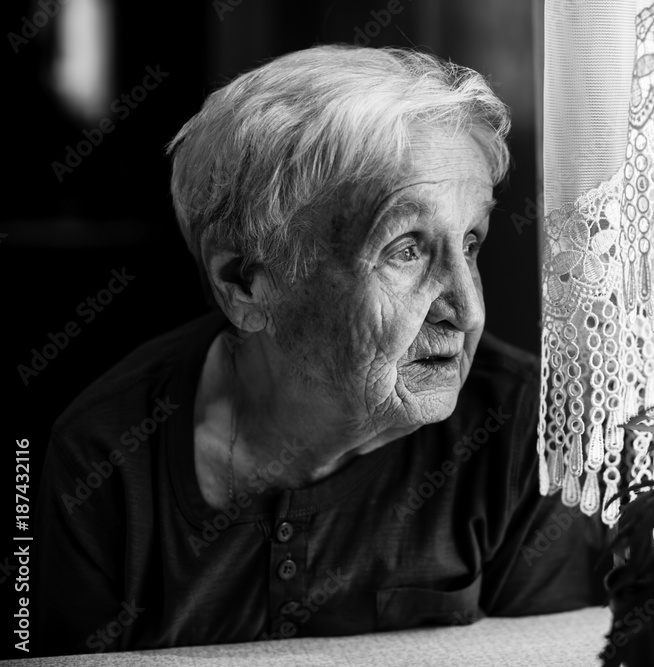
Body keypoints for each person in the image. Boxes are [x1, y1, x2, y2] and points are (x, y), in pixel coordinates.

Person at [34, 45, 608, 655]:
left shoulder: (527, 432)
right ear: (246, 282)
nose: (467, 310)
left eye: (469, 242)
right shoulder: (104, 457)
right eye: (405, 249)